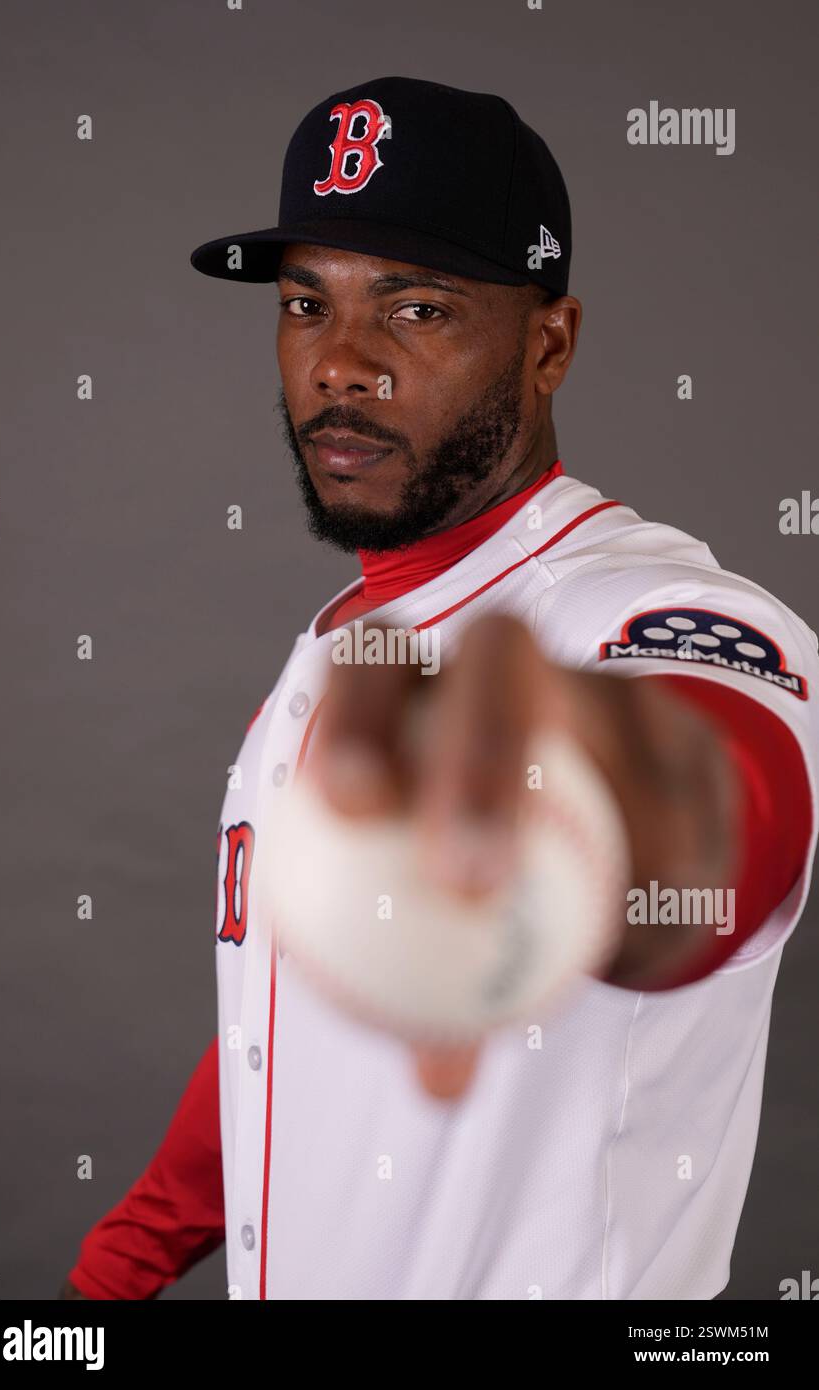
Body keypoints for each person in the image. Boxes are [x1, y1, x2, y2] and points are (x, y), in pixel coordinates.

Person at [62, 76, 817, 1301]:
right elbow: (281, 1012)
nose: (340, 363)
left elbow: (713, 843)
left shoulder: (648, 610)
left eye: (415, 308)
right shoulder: (338, 643)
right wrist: (123, 1263)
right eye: (307, 302)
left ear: (548, 343)